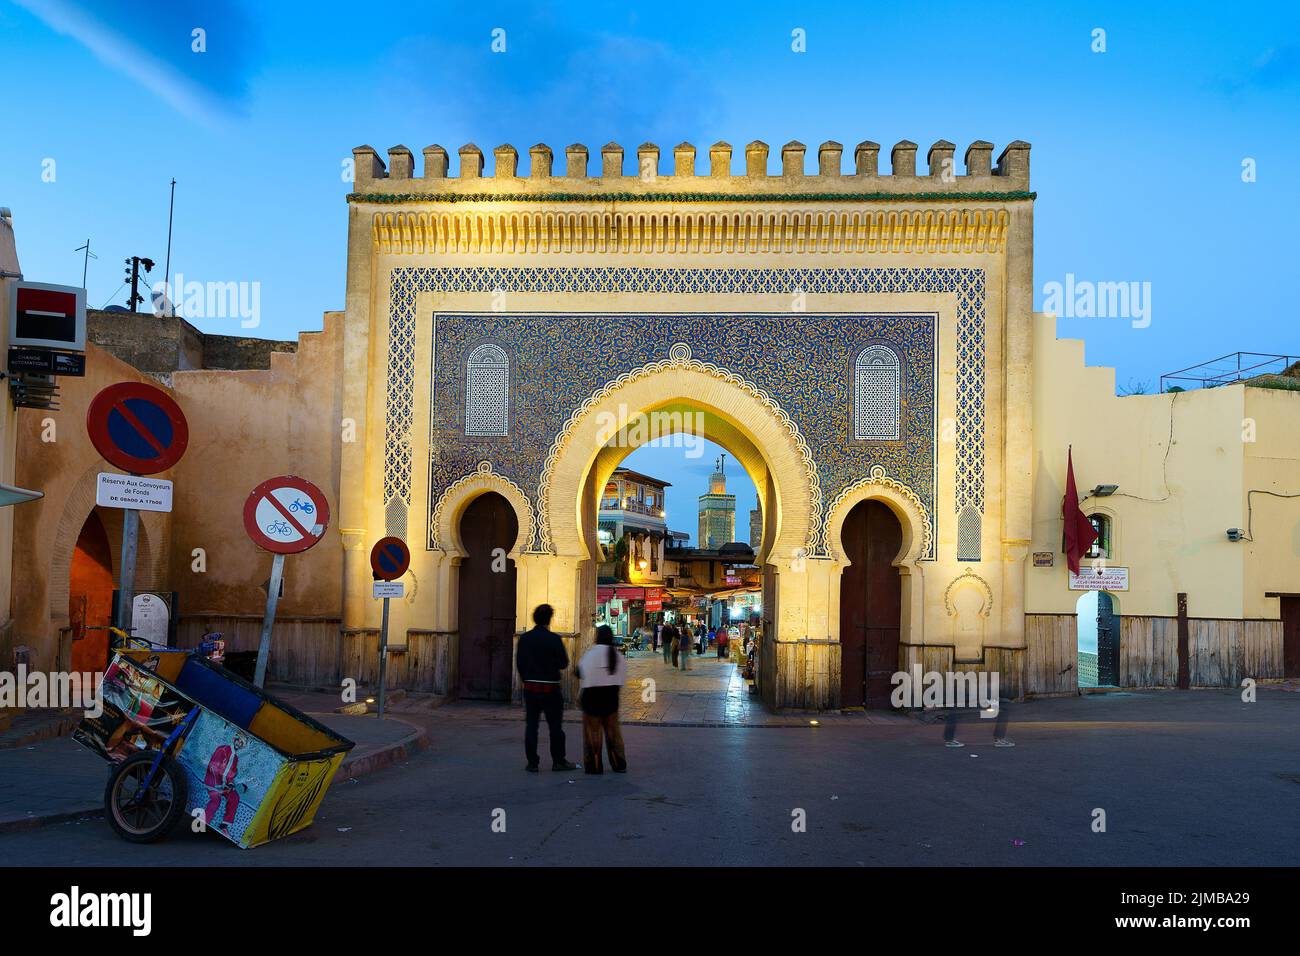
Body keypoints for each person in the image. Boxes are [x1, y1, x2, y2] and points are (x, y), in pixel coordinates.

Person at [516, 604, 578, 772]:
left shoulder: (525, 639)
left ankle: (532, 763)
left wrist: (527, 678)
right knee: (555, 727)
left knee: (531, 726)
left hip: (530, 688)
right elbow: (563, 663)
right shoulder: (554, 639)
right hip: (550, 689)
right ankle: (558, 761)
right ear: (549, 619)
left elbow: (519, 663)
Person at [576, 624, 628, 774]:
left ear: (597, 637)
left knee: (592, 735)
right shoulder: (618, 656)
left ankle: (595, 766)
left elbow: (579, 672)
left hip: (591, 700)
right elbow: (622, 678)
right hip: (611, 700)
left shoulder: (590, 654)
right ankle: (619, 764)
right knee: (613, 734)